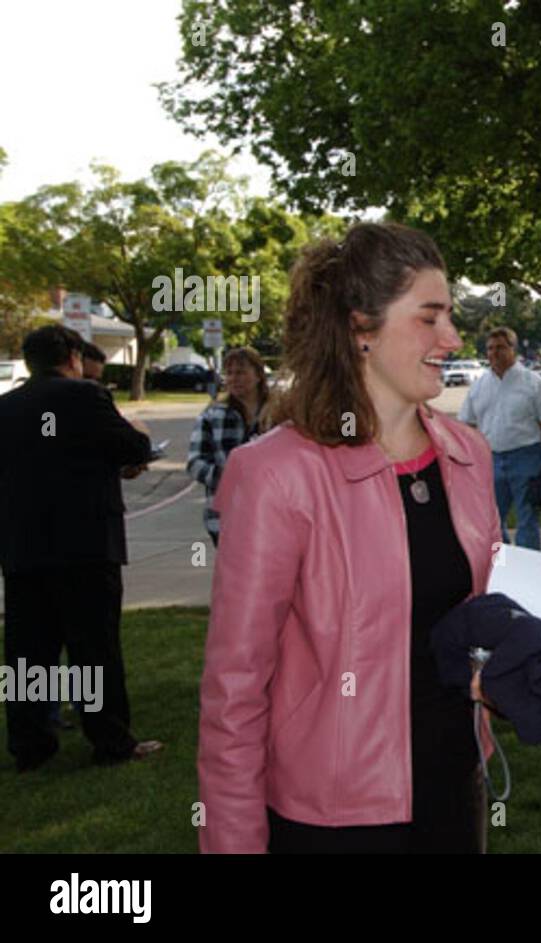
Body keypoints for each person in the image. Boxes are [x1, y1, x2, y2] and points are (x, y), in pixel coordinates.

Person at [198, 223, 501, 854]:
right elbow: (236, 686)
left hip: (454, 790)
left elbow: (479, 616)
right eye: (429, 318)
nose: (451, 338)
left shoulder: (468, 455)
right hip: (335, 820)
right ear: (361, 328)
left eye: (450, 317)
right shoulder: (276, 474)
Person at [0, 324, 162, 769]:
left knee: (28, 652)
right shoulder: (84, 396)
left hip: (24, 546)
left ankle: (30, 743)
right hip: (85, 544)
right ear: (71, 356)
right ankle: (110, 739)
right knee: (93, 648)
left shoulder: (7, 407)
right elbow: (131, 445)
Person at [458, 326, 541, 550]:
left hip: (527, 457)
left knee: (527, 520)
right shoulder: (479, 386)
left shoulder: (533, 383)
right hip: (491, 459)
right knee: (492, 520)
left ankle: (529, 570)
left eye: (500, 347)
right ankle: (502, 568)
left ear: (513, 350)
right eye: (490, 348)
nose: (494, 353)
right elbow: (468, 426)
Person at [186, 346, 269, 545]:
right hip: (228, 519)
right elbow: (195, 464)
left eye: (240, 372)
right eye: (229, 373)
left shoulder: (280, 413)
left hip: (274, 515)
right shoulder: (213, 415)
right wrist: (227, 475)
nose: (233, 378)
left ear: (258, 375)